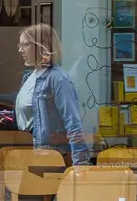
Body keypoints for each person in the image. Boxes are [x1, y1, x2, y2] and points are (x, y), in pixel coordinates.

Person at [14, 24, 90, 165]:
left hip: (49, 157)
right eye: (20, 45)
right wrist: (3, 117)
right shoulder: (29, 77)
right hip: (28, 154)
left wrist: (81, 164)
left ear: (41, 46)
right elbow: (31, 117)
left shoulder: (58, 78)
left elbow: (72, 122)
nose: (20, 50)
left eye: (25, 44)